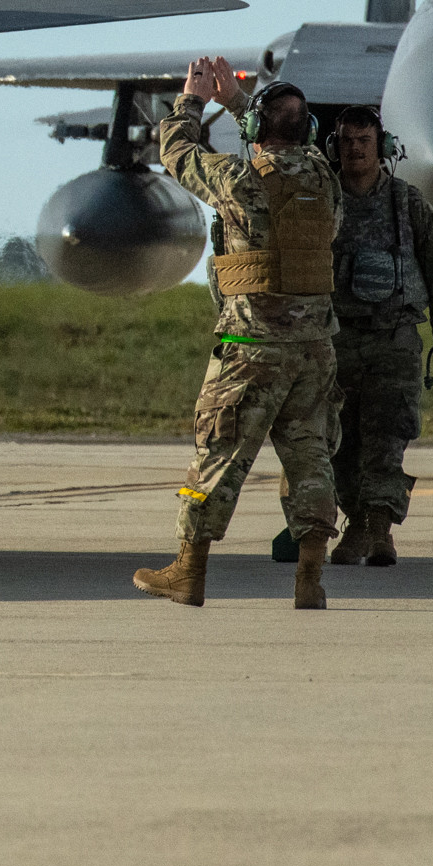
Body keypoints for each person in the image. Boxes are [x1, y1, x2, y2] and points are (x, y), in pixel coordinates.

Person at [133, 59, 343, 611]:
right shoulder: (325, 179)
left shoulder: (239, 179)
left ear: (254, 132)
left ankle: (189, 570)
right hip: (315, 349)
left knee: (216, 454)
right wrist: (239, 103)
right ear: (309, 132)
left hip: (252, 346)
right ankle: (309, 579)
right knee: (312, 457)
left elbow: (177, 155)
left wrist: (192, 101)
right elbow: (286, 145)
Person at [320, 103, 433, 566]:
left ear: (380, 146)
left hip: (394, 338)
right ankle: (355, 524)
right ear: (334, 146)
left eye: (364, 141)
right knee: (339, 442)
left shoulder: (408, 203)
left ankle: (379, 531)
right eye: (345, 141)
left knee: (387, 439)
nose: (354, 150)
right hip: (337, 340)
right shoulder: (322, 203)